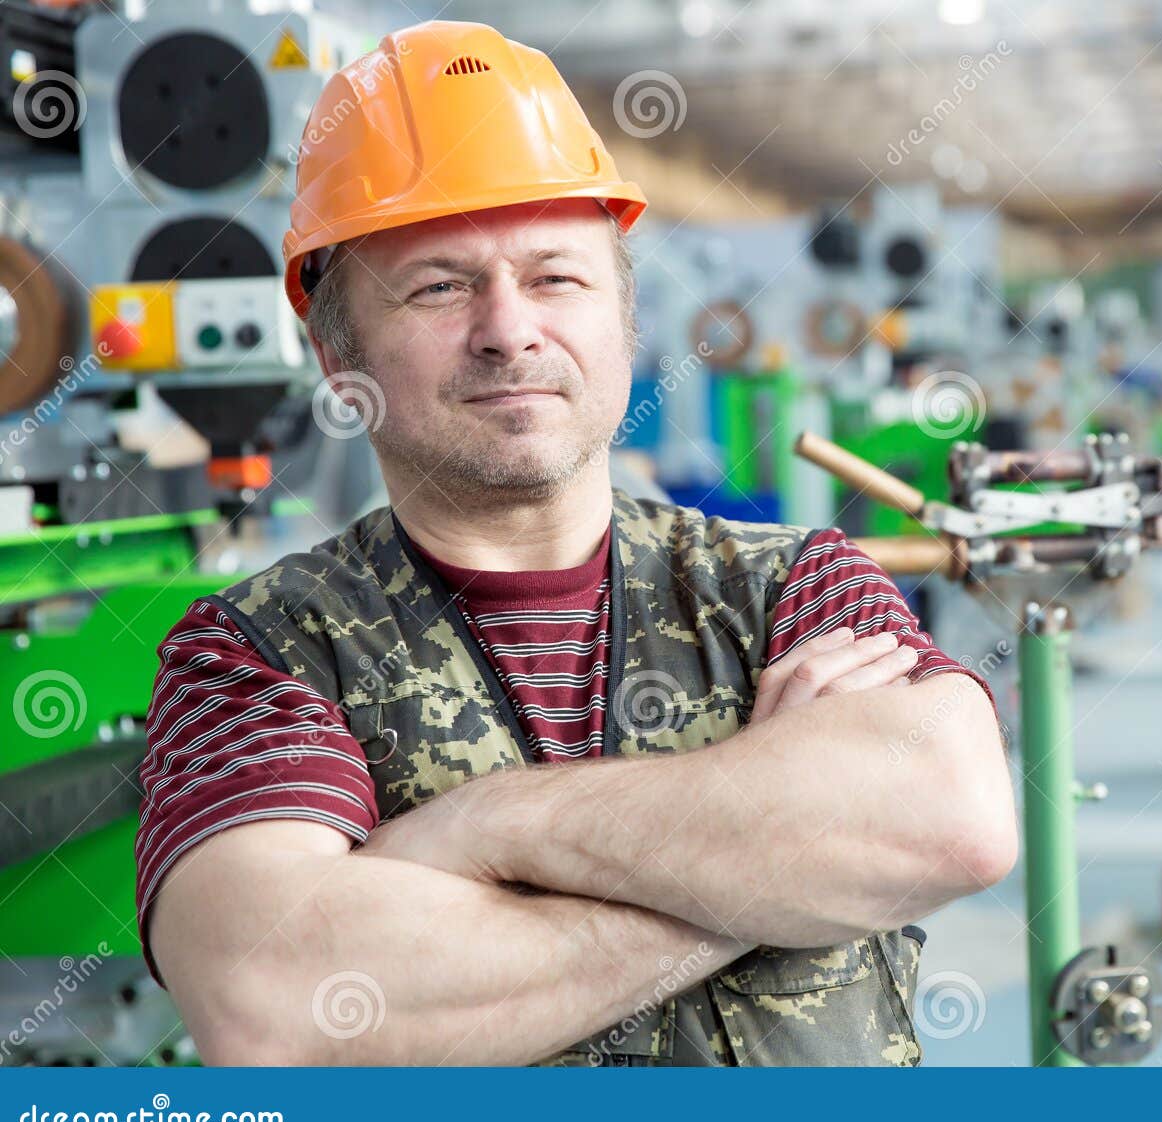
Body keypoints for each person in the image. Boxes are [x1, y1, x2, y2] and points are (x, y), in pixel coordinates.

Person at [136, 20, 1014, 1067]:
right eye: (439, 285)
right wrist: (776, 873)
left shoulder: (792, 586)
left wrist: (485, 828)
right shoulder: (257, 658)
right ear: (335, 348)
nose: (509, 330)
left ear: (624, 321)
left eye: (556, 276)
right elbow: (281, 1006)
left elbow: (953, 818)